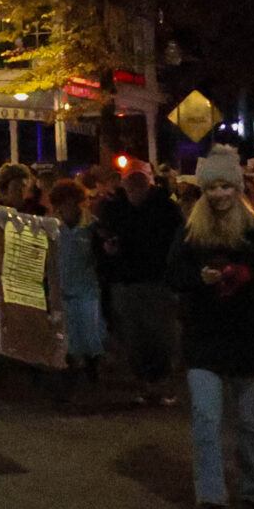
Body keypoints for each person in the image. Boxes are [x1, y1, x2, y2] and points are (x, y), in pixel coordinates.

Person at [165, 146, 254, 509]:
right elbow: (172, 274)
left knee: (249, 422)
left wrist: (249, 274)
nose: (219, 194)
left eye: (225, 186)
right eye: (212, 187)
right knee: (206, 419)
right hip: (204, 337)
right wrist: (196, 279)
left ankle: (252, 489)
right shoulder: (190, 230)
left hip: (245, 337)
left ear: (238, 188)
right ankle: (211, 498)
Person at [96, 164, 185, 406]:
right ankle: (146, 384)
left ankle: (162, 382)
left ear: (149, 183)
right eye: (131, 183)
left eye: (141, 183)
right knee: (135, 337)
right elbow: (101, 237)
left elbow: (178, 243)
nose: (136, 189)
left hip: (158, 282)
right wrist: (108, 249)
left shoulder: (166, 208)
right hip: (126, 282)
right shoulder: (114, 208)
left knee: (162, 335)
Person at [49, 180, 107, 380]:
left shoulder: (92, 226)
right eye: (65, 202)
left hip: (87, 287)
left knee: (90, 331)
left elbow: (102, 256)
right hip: (63, 287)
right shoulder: (51, 227)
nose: (71, 207)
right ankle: (72, 370)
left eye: (74, 202)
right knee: (69, 333)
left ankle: (92, 369)